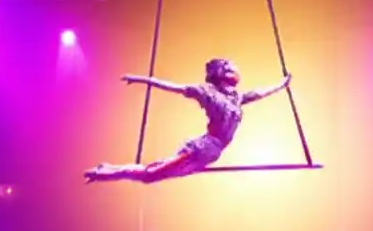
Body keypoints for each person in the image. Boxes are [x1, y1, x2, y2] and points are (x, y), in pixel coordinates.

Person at [85, 58, 291, 183]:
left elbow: (261, 93)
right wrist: (142, 80)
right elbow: (174, 87)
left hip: (212, 153)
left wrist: (282, 84)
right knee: (152, 173)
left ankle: (108, 169)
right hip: (203, 147)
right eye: (228, 70)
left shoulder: (237, 97)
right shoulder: (206, 91)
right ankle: (106, 172)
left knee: (154, 173)